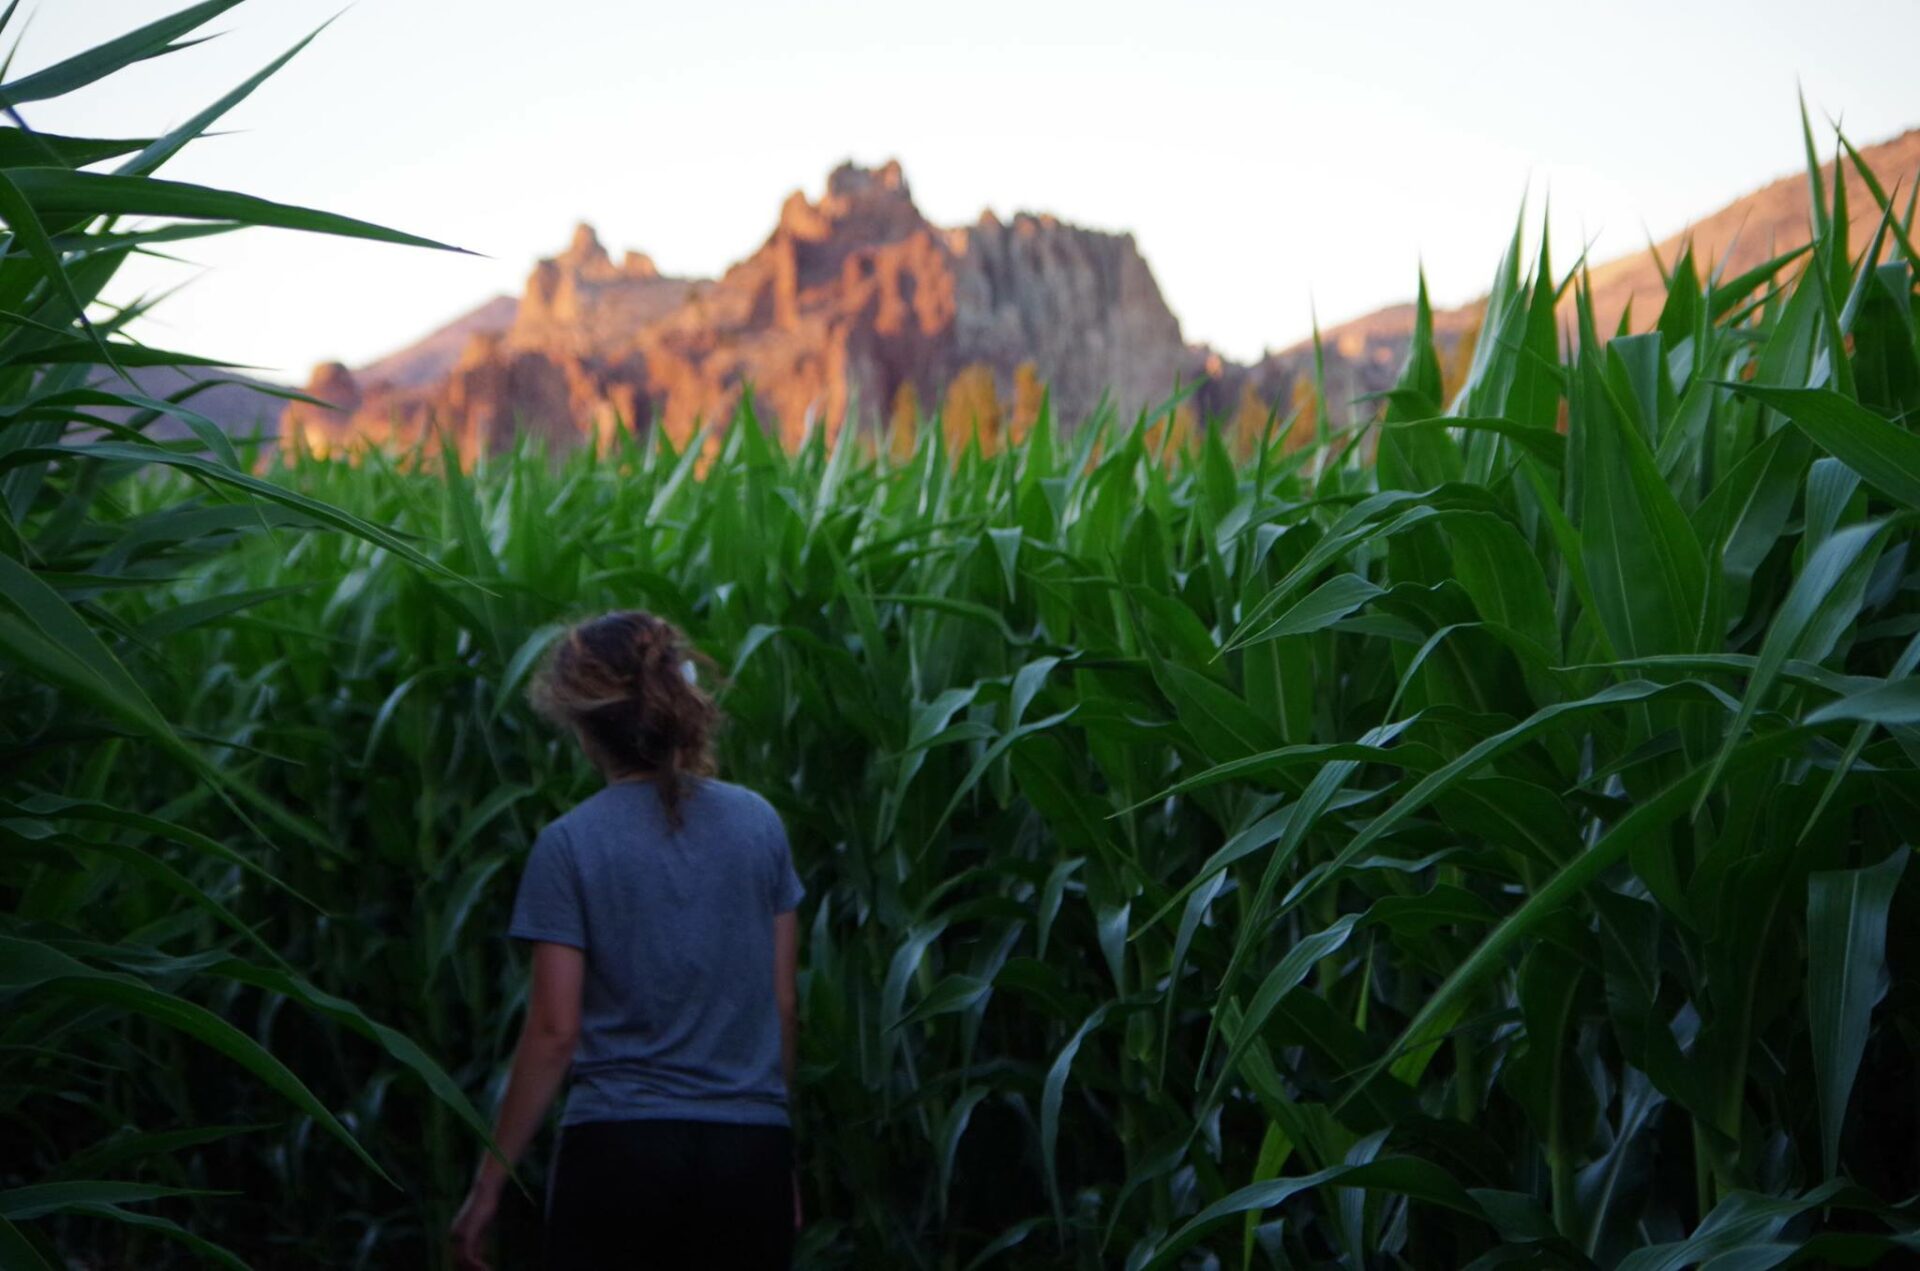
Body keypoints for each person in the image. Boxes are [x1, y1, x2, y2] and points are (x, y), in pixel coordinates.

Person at [449, 611, 804, 1270]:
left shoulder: (569, 845)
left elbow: (555, 1031)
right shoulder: (760, 824)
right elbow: (782, 1003)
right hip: (747, 1152)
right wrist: (776, 1148)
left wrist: (488, 1185)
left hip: (619, 1152)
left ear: (585, 728)